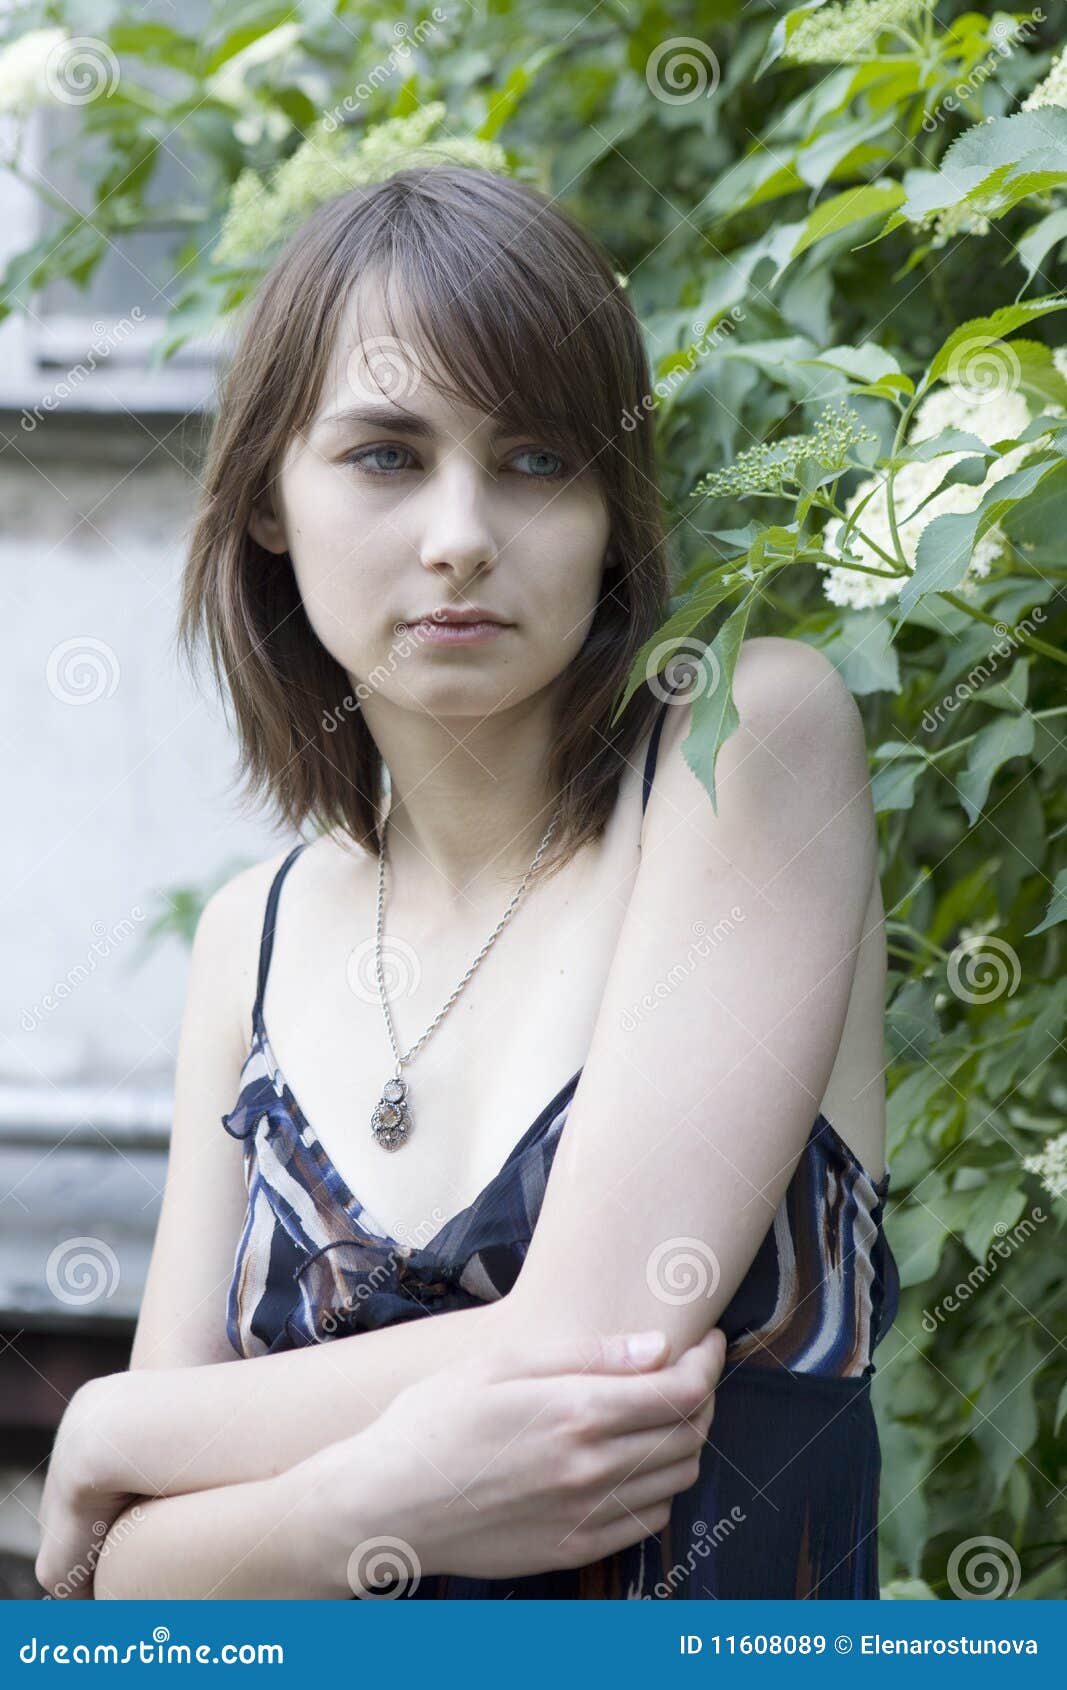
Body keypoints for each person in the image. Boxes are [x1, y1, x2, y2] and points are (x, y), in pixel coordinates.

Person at [36, 163, 897, 1601]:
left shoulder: (746, 743)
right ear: (268, 500)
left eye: (537, 460)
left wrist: (121, 1426)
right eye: (386, 455)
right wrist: (353, 1512)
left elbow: (592, 1340)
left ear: (612, 508)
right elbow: (124, 1588)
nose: (461, 536)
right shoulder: (253, 938)